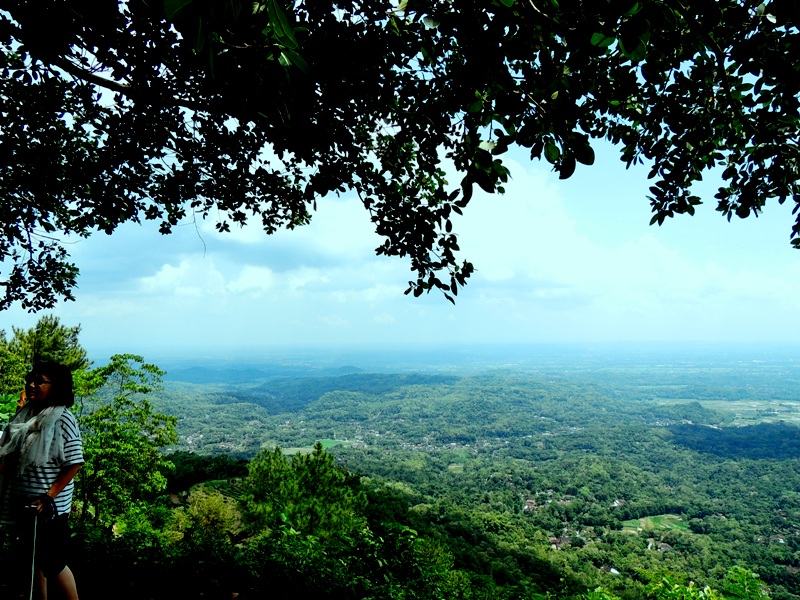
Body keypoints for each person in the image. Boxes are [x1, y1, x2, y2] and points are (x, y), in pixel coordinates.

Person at [0, 362, 83, 600]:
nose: (32, 385)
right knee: (34, 558)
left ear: (55, 386)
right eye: (31, 379)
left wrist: (49, 496)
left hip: (46, 508)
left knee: (53, 563)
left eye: (40, 381)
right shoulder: (26, 414)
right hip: (23, 504)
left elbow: (75, 461)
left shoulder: (62, 418)